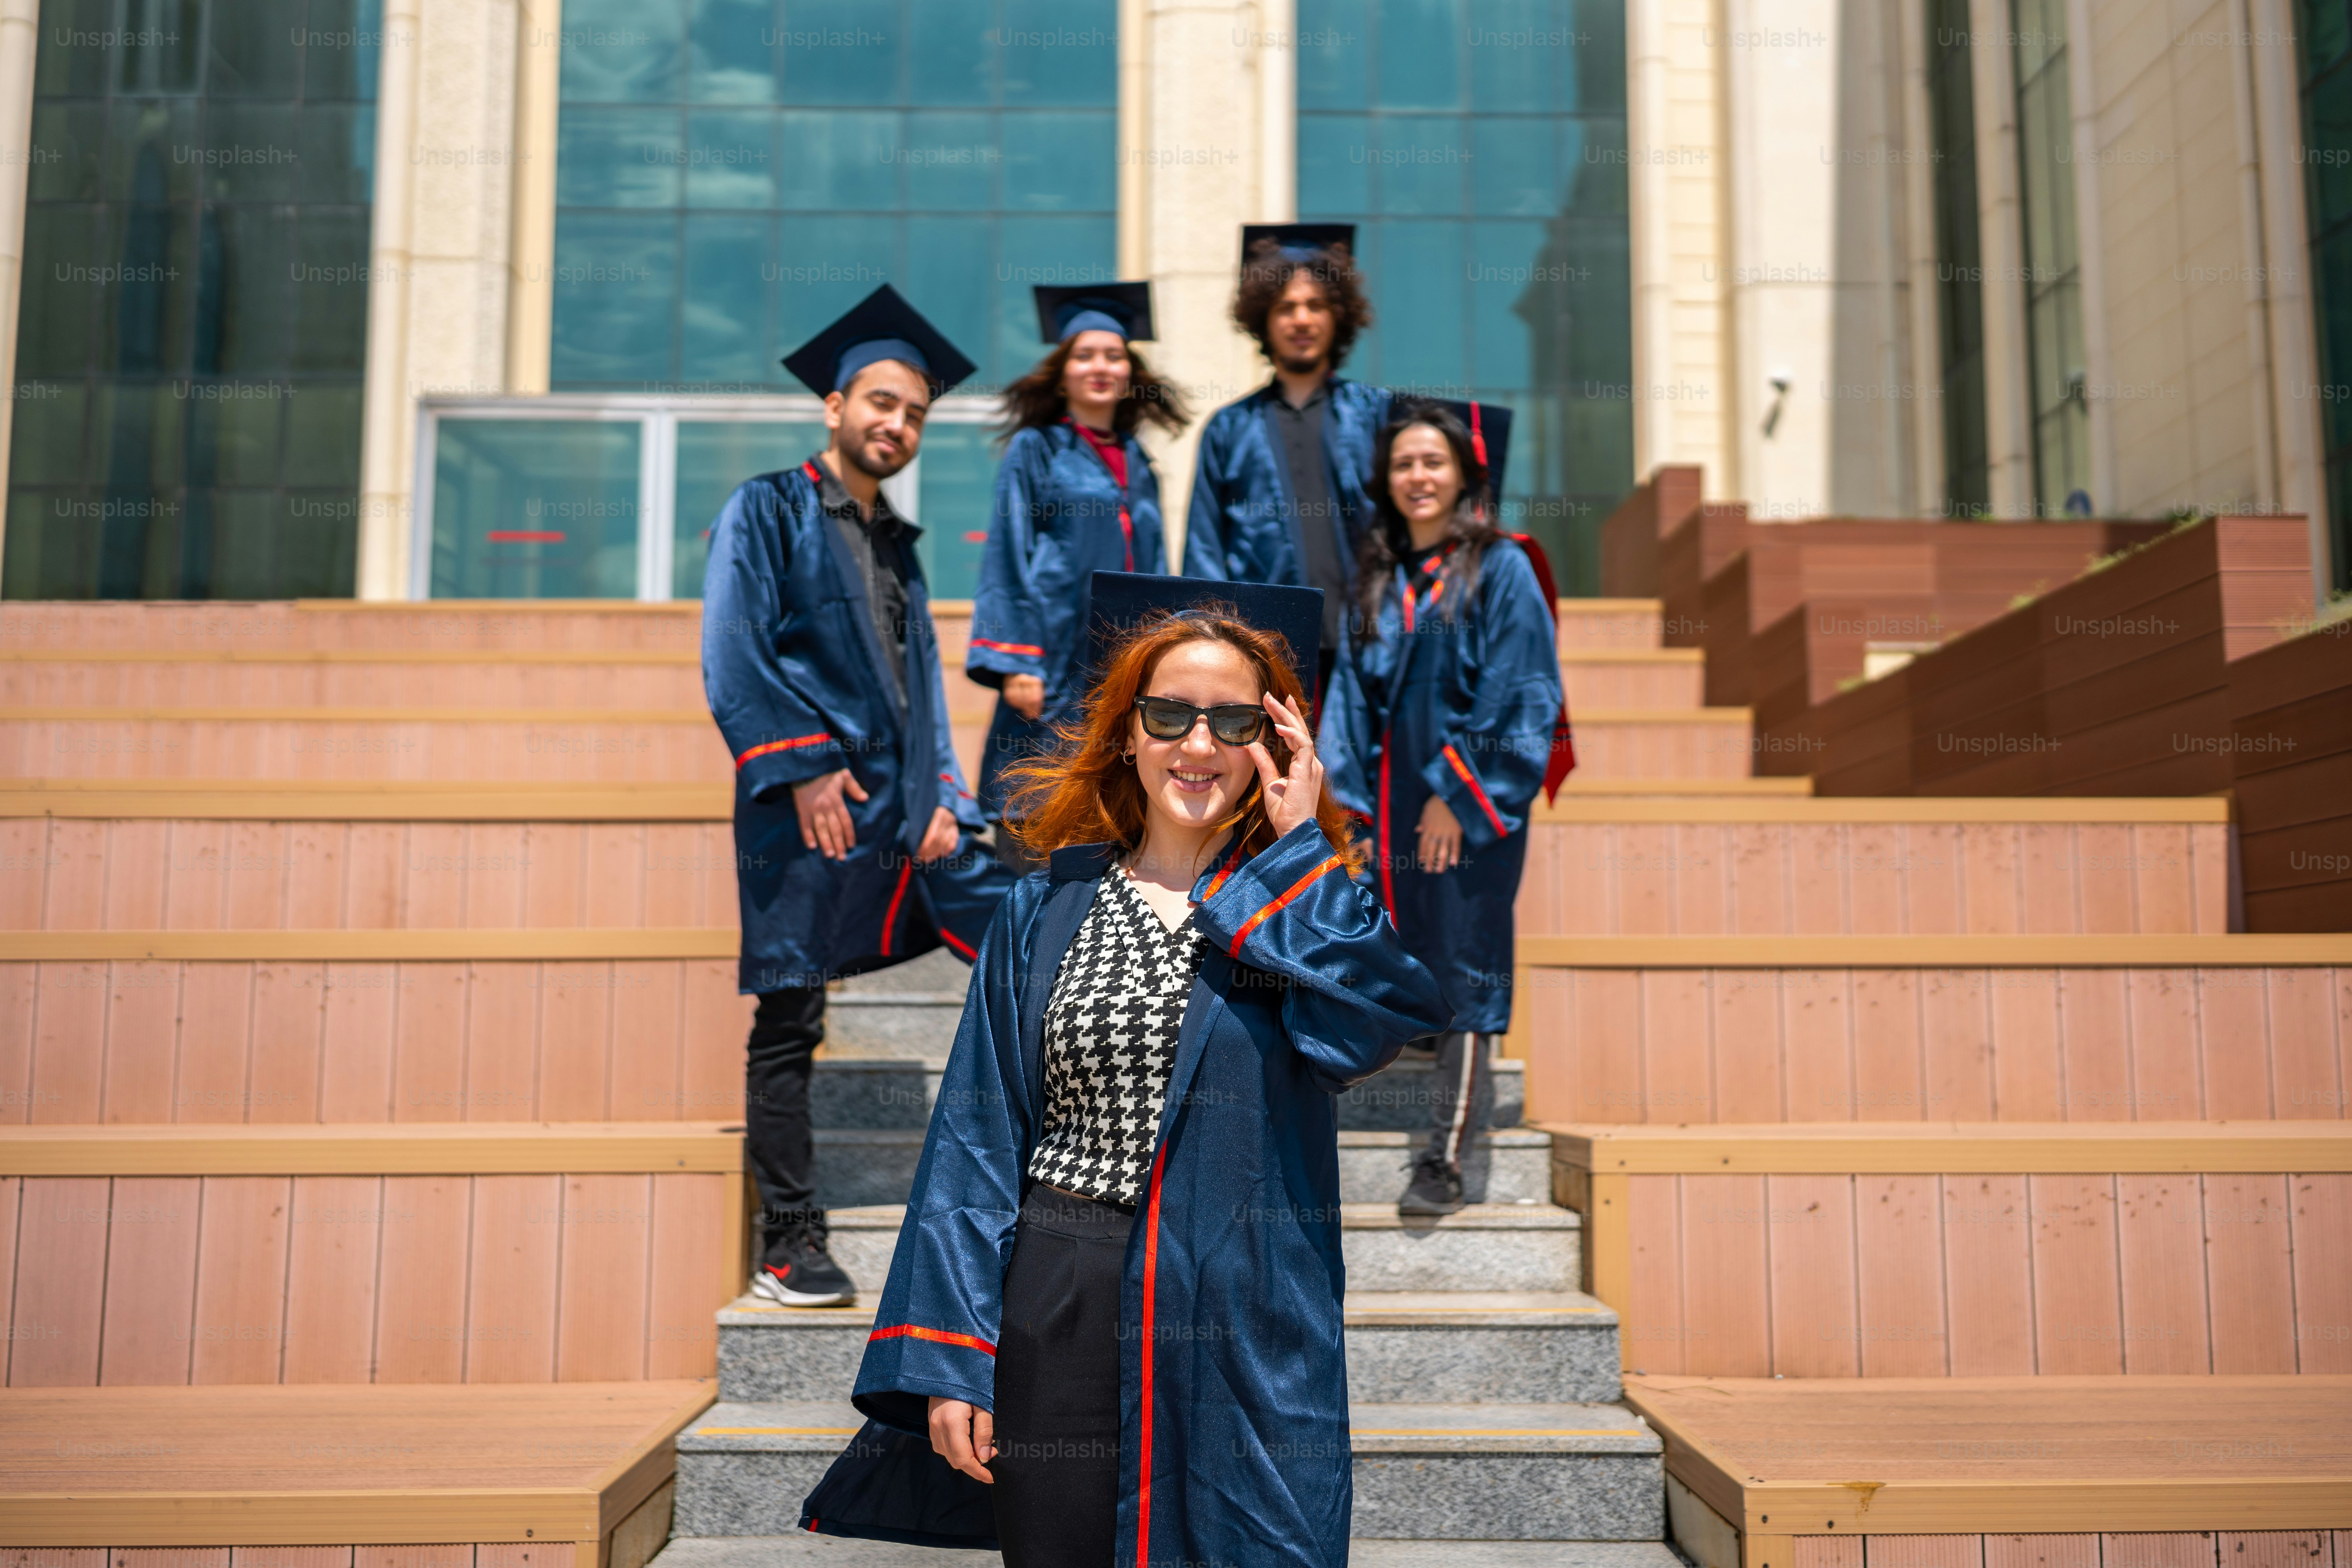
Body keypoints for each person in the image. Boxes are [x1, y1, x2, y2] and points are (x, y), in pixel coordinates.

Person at [802, 579, 1449, 1567]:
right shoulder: (1042, 913)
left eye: (1234, 720)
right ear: (1128, 735)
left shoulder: (1291, 906)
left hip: (1246, 1303)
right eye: (1169, 715)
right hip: (1062, 1297)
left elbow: (1379, 1022)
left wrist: (1299, 849)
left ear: (1274, 744)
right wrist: (951, 1357)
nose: (1198, 745)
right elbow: (977, 1142)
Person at [701, 284, 1016, 1308]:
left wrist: (943, 800)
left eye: (917, 413)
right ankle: (791, 1240)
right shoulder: (767, 508)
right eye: (881, 402)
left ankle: (1042, 1199)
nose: (898, 424)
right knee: (791, 1012)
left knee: (1027, 931)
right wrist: (796, 763)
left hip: (903, 817)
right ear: (834, 408)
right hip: (807, 810)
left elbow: (923, 687)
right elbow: (732, 651)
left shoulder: (899, 548)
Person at [1318, 399, 1567, 1217]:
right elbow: (1352, 697)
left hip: (1465, 808)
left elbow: (1524, 690)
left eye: (1433, 461)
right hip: (1390, 806)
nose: (1418, 477)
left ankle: (1446, 1158)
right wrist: (1341, 803)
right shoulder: (1381, 576)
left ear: (1464, 473)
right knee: (1392, 944)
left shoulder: (1503, 567)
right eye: (1403, 464)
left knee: (1465, 963)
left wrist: (1459, 797)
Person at [967, 282, 1189, 845]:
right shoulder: (1037, 450)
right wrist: (1017, 659)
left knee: (1110, 814)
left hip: (1119, 658)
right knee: (1036, 809)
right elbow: (1007, 554)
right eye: (1085, 355)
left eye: (1114, 356)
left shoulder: (1139, 461)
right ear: (1063, 371)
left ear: (1129, 372)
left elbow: (1159, 567)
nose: (1101, 366)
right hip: (1050, 657)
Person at [1184, 224, 1392, 694]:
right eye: (1286, 308)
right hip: (1264, 651)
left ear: (1339, 316)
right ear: (1264, 320)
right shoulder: (1230, 428)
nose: (1302, 319)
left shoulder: (1375, 416)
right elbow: (1204, 552)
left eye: (1316, 305)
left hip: (1369, 646)